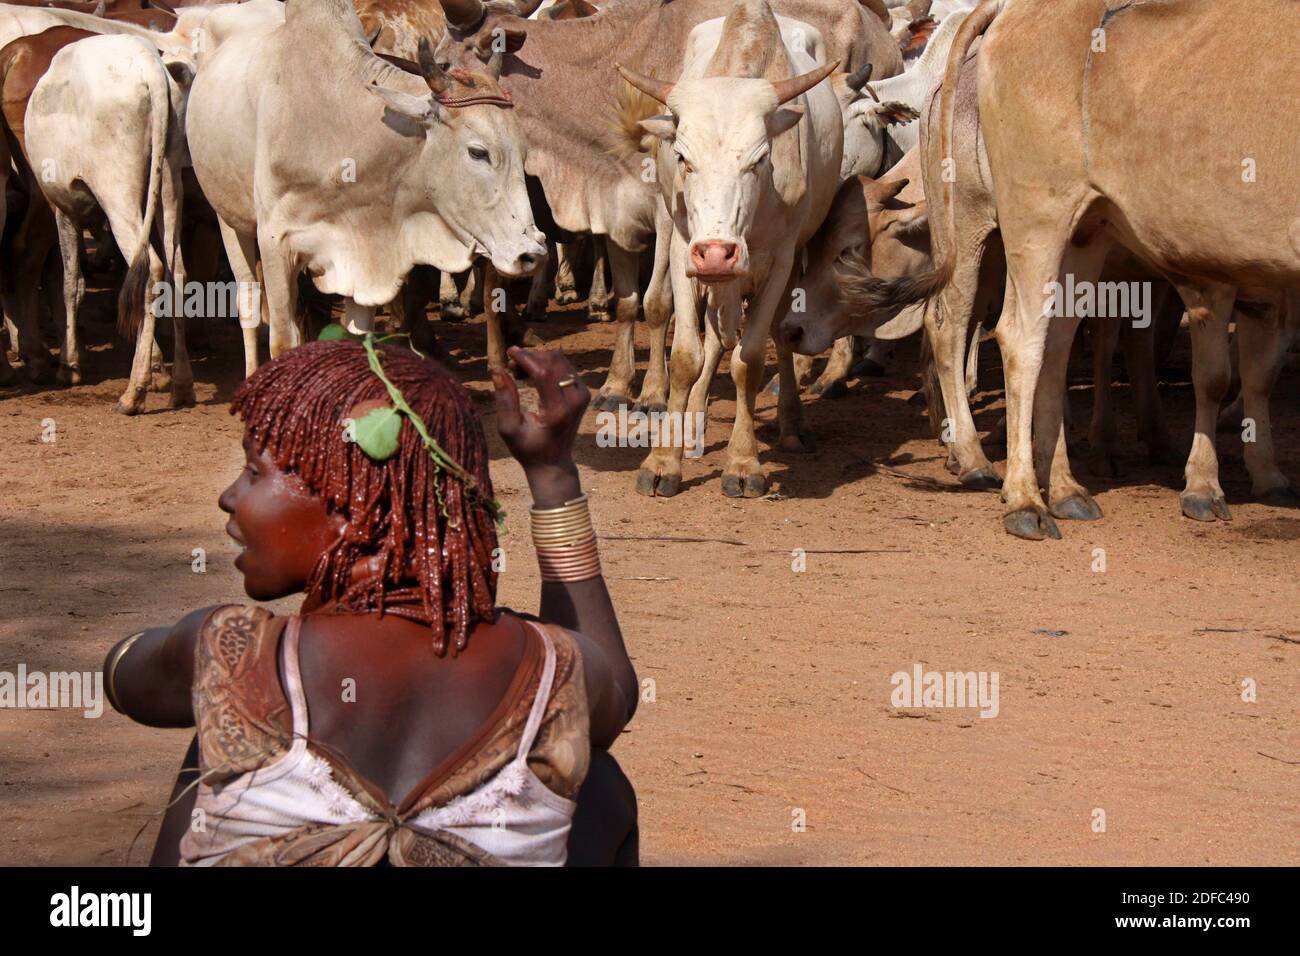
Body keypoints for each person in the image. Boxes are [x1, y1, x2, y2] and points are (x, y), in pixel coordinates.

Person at [102, 338, 638, 866]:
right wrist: (553, 477)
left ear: (351, 504)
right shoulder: (555, 669)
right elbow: (610, 692)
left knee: (219, 740)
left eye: (253, 472)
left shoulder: (233, 652)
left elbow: (122, 675)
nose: (230, 497)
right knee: (596, 783)